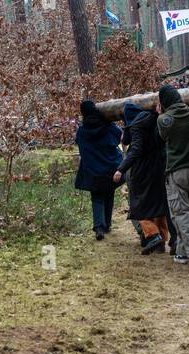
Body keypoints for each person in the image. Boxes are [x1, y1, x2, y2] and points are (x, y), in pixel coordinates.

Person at [157, 84, 189, 270]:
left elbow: (163, 137)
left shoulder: (164, 119)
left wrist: (160, 113)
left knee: (180, 213)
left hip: (176, 172)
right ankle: (181, 251)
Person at [114, 101, 171, 254]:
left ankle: (152, 236)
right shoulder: (155, 120)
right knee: (159, 204)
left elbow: (135, 148)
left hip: (142, 170)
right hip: (160, 168)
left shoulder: (137, 125)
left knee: (138, 204)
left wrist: (121, 169)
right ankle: (162, 241)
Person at [73, 99, 123, 241]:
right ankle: (107, 225)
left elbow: (79, 143)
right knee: (109, 194)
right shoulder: (108, 126)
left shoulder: (82, 131)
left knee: (97, 197)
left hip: (93, 170)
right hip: (111, 168)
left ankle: (99, 227)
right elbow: (119, 137)